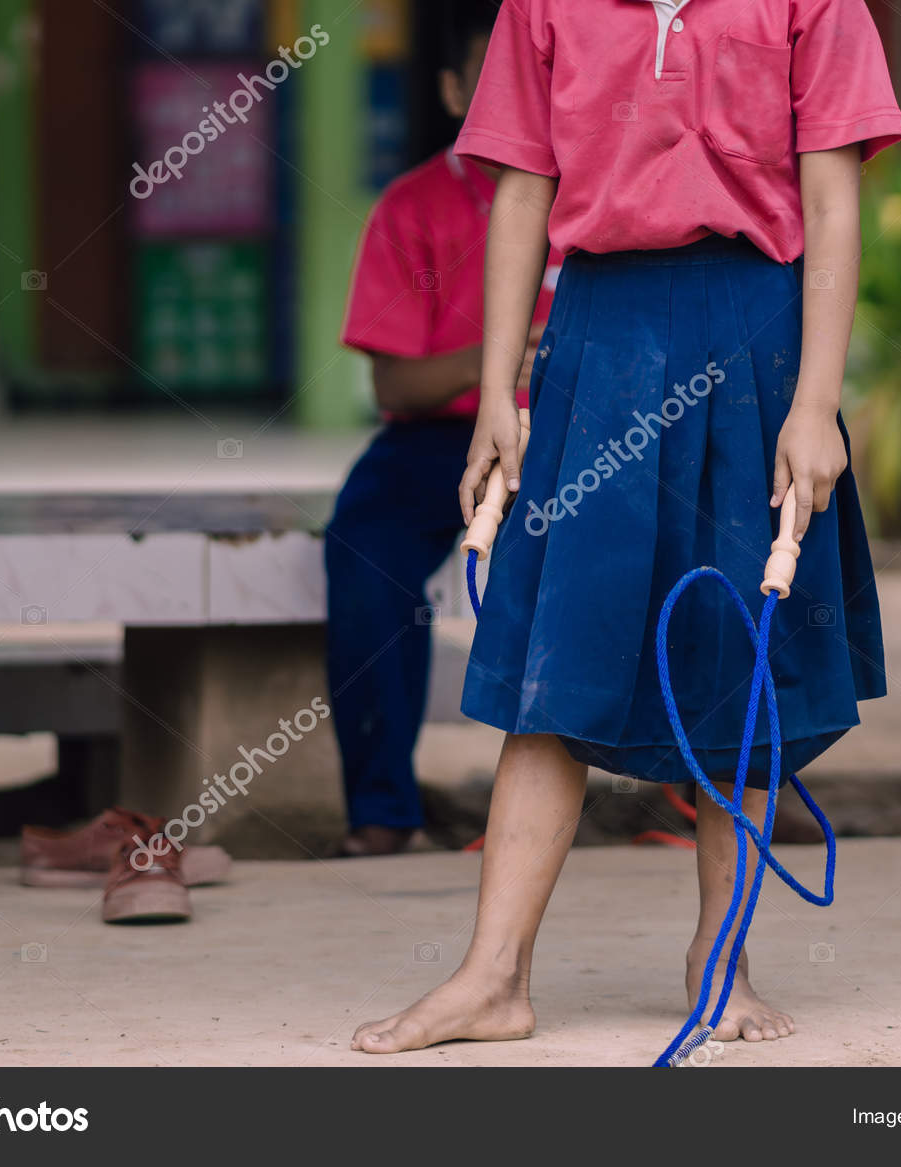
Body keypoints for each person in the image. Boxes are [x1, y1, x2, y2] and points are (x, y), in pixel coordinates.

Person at [352, 0, 901, 1052]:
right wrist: (498, 395)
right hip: (598, 335)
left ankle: (722, 963)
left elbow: (832, 205)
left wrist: (815, 403)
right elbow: (522, 192)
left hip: (759, 331)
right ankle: (493, 978)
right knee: (552, 656)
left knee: (741, 659)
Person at [326, 1, 562, 858]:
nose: (523, 99)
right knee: (363, 548)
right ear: (457, 91)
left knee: (702, 533)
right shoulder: (413, 205)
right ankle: (383, 811)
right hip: (447, 440)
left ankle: (723, 791)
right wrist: (492, 360)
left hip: (586, 435)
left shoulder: (603, 196)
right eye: (498, 81)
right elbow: (393, 383)